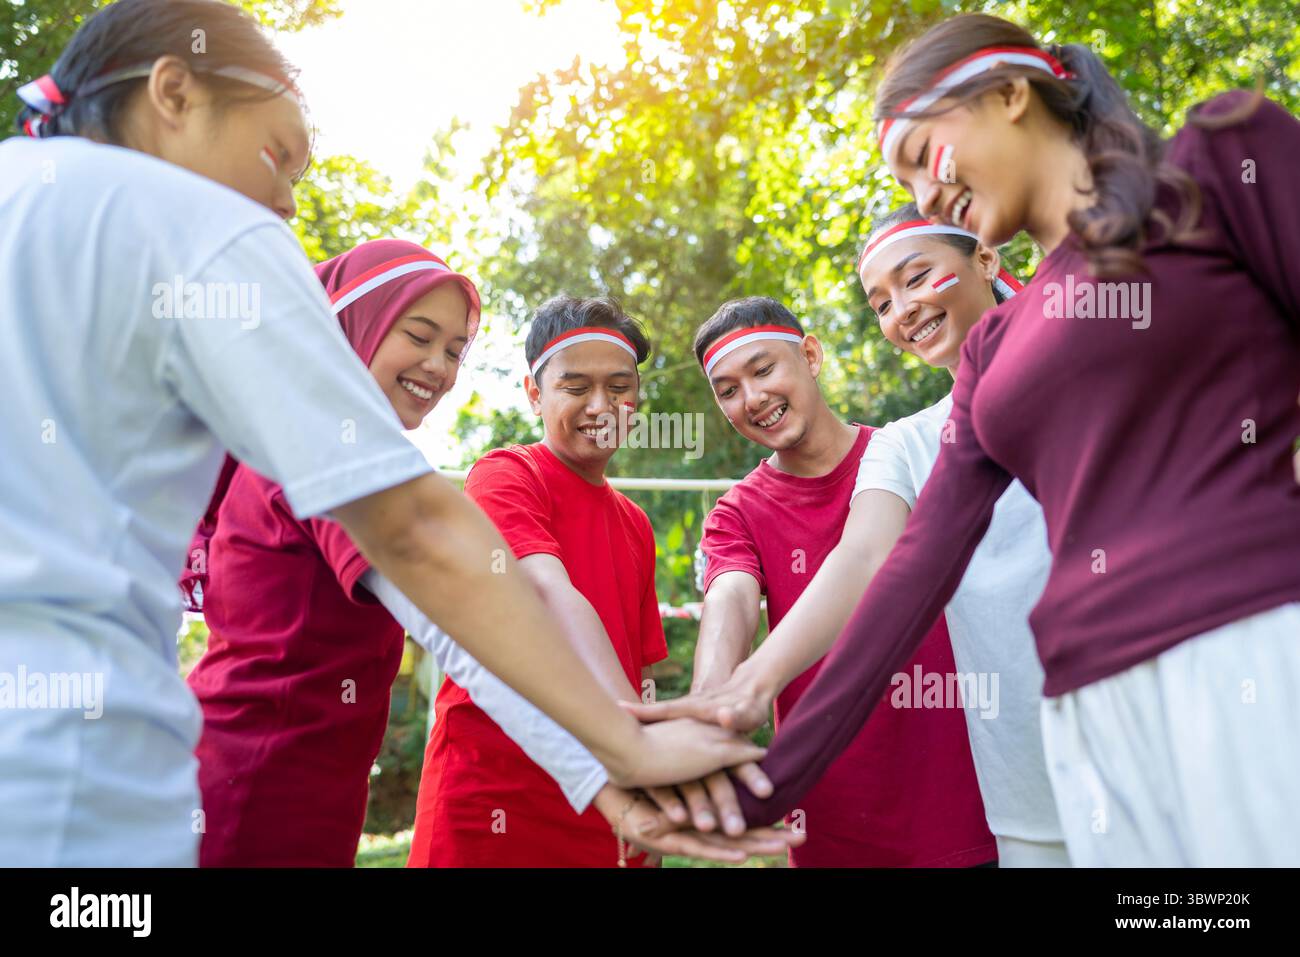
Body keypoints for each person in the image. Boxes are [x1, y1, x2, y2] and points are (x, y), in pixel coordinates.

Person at [0, 0, 773, 866]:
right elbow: (420, 543)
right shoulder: (197, 226)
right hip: (85, 791)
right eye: (278, 155)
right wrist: (617, 755)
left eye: (455, 348)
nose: (286, 206)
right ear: (173, 91)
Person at [719, 14, 1300, 866]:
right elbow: (909, 568)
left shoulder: (1216, 160)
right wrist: (759, 784)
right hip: (1090, 713)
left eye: (924, 154)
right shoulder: (993, 349)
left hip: (1244, 643)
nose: (922, 195)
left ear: (1009, 93)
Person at [632, 211, 1069, 866]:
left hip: (994, 786)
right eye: (728, 390)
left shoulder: (1074, 367)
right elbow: (826, 569)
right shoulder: (907, 449)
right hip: (973, 797)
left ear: (810, 355)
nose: (751, 398)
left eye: (917, 278)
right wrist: (717, 700)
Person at [406, 296, 780, 866]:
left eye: (619, 388)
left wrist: (640, 772)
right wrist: (643, 754)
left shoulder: (634, 524)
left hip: (604, 806)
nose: (601, 407)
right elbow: (550, 595)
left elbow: (641, 669)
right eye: (576, 389)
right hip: (492, 797)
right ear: (535, 395)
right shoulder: (506, 474)